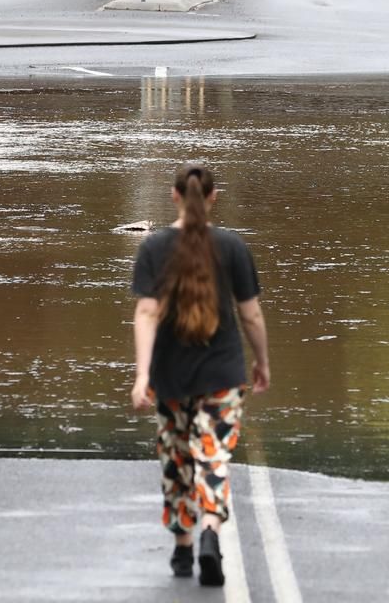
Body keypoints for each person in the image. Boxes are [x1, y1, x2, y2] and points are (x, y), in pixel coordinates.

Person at [130, 163, 271, 587]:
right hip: (222, 374)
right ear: (213, 197)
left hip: (170, 375)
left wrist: (141, 376)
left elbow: (146, 313)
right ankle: (211, 529)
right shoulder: (232, 247)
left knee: (177, 458)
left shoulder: (154, 248)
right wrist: (262, 361)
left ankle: (183, 545)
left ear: (175, 196)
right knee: (213, 455)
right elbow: (251, 315)